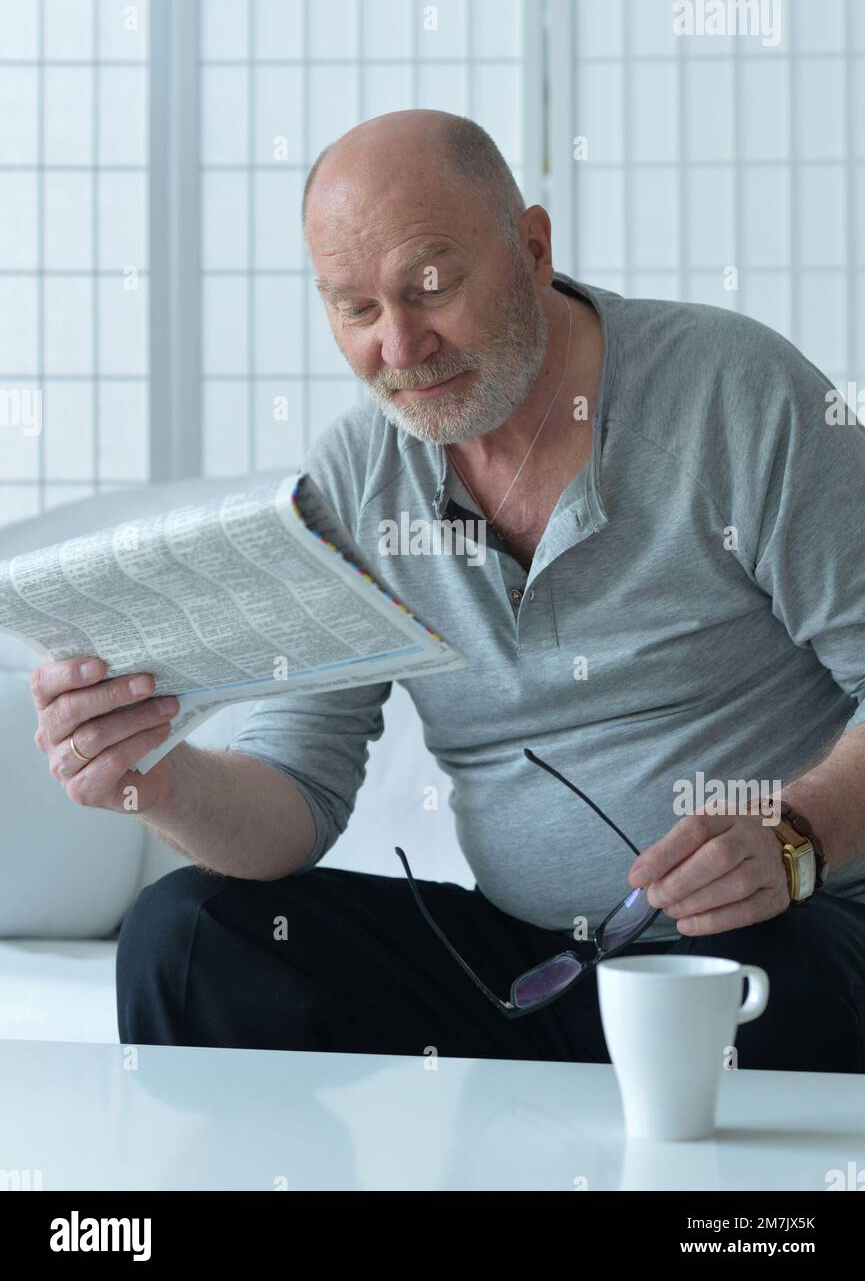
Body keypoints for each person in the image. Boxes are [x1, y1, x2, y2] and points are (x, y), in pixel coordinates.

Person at [30, 110, 865, 1071]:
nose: (400, 346)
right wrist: (159, 782)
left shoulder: (738, 394)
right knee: (187, 934)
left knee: (774, 984)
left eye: (428, 286)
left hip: (767, 938)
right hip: (523, 970)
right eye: (354, 308)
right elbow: (298, 793)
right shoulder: (353, 478)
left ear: (532, 249)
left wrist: (792, 836)